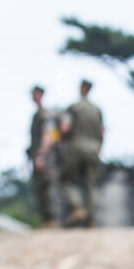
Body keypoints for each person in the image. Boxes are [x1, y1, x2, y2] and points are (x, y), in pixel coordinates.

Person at [59, 79, 104, 228]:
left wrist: (61, 140)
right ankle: (90, 219)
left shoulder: (73, 108)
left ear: (81, 89)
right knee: (90, 185)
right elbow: (101, 134)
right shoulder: (97, 110)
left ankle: (77, 208)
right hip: (93, 149)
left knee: (66, 180)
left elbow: (65, 127)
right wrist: (98, 148)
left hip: (75, 148)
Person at [27, 85, 61, 228]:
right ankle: (48, 220)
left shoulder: (44, 114)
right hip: (41, 154)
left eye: (36, 94)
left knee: (46, 186)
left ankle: (51, 220)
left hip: (45, 156)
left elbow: (50, 136)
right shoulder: (39, 114)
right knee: (41, 187)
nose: (33, 97)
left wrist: (41, 154)